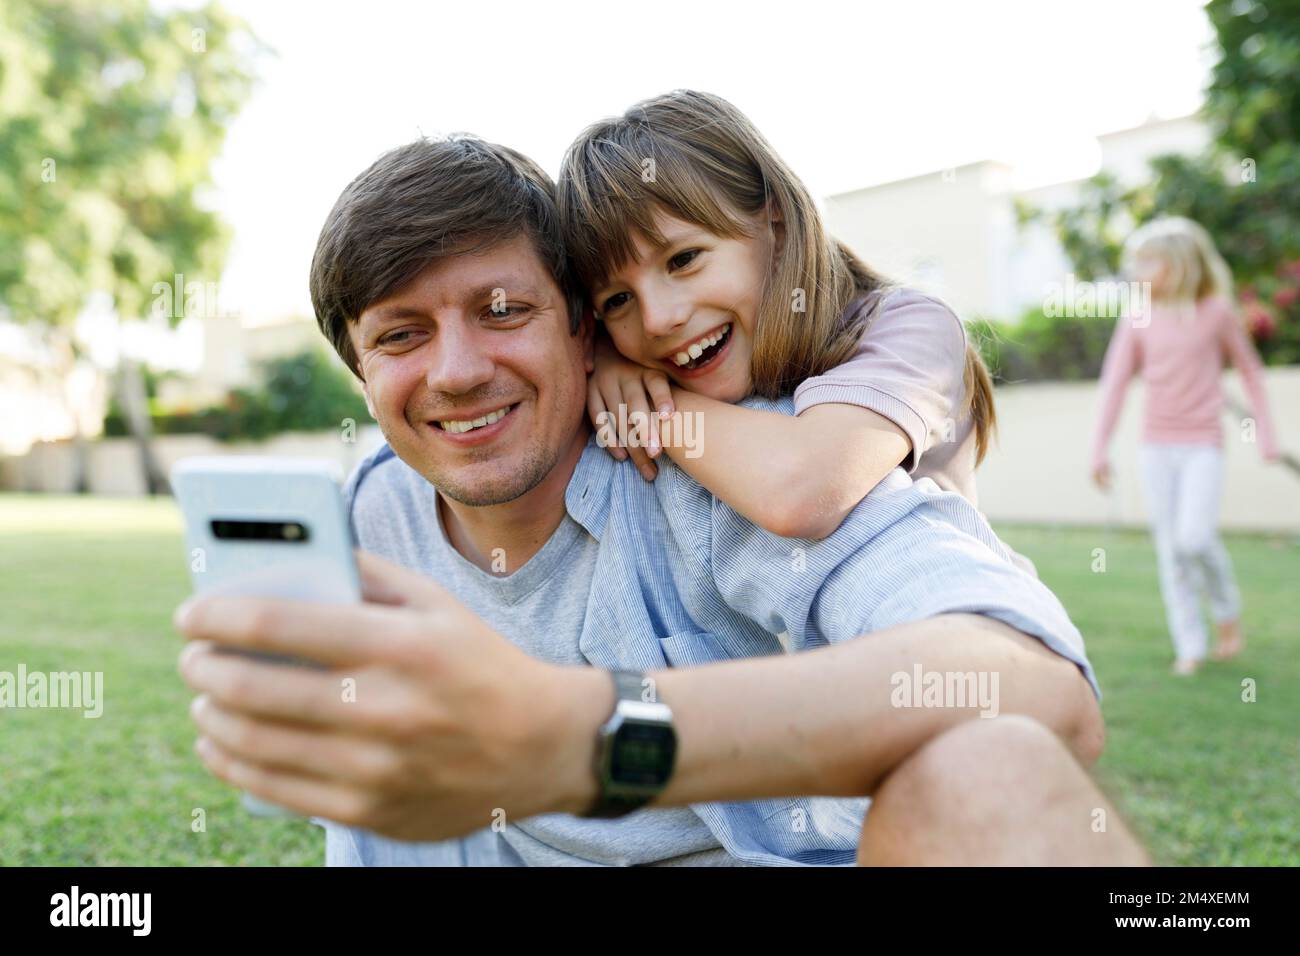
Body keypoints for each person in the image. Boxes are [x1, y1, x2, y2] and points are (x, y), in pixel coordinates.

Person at [175, 133, 1147, 866]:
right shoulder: (369, 518)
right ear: (361, 374)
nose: (458, 371)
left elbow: (1035, 686)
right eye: (400, 335)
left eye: (503, 311)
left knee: (989, 774)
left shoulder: (720, 469)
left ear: (581, 333)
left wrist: (585, 735)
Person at [558, 90, 994, 542]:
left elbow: (803, 490)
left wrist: (649, 407)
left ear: (777, 227)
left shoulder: (915, 329)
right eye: (617, 300)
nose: (656, 320)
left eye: (683, 260)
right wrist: (600, 361)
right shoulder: (627, 357)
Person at [1090, 216, 1278, 676]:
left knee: (1194, 537)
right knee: (1171, 549)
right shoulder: (1136, 317)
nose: (1137, 272)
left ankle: (1226, 611)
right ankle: (1190, 644)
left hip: (1203, 444)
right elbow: (1114, 384)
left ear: (1179, 265)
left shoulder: (1216, 312)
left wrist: (1267, 435)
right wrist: (1099, 448)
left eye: (1147, 262)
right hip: (1156, 446)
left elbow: (1251, 373)